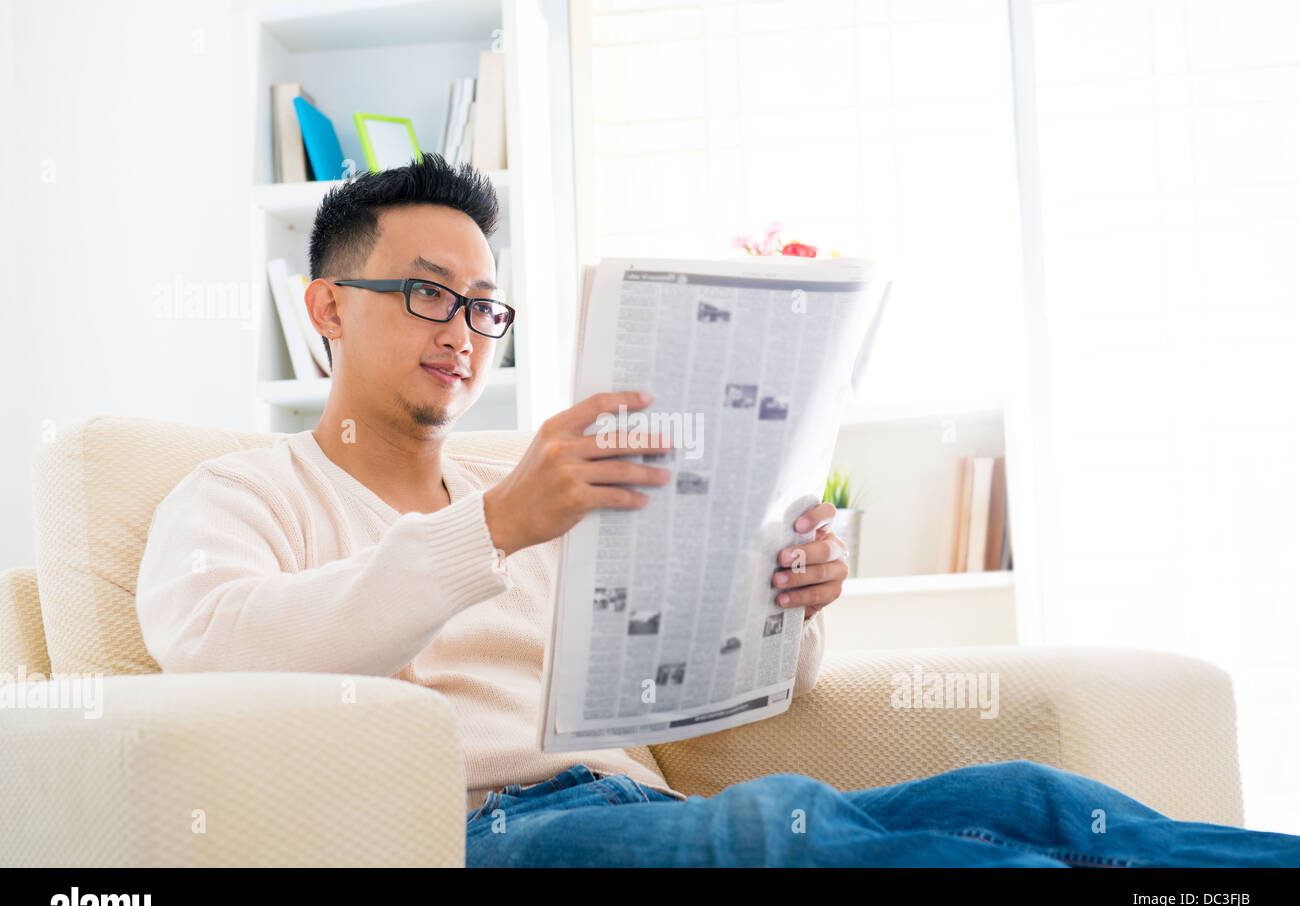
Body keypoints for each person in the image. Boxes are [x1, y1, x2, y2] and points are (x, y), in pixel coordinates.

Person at [136, 154, 1300, 867]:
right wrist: (490, 535)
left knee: (1026, 799)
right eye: (427, 294)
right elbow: (214, 650)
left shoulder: (522, 491)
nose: (461, 329)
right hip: (482, 835)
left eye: (486, 308)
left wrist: (785, 602)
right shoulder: (246, 494)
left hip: (636, 806)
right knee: (769, 827)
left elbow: (723, 690)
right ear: (328, 307)